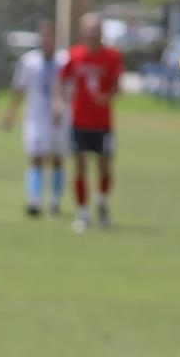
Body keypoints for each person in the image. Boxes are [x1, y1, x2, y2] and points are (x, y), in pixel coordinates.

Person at [59, 12, 124, 232]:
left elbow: (117, 85)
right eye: (88, 30)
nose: (92, 34)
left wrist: (106, 97)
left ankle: (102, 200)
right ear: (82, 32)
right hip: (79, 120)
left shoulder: (112, 56)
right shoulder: (74, 55)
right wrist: (61, 100)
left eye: (95, 30)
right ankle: (82, 212)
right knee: (79, 165)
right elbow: (62, 80)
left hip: (103, 123)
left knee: (104, 166)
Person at [1, 18, 67, 218]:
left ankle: (54, 201)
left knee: (57, 159)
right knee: (36, 158)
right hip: (36, 117)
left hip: (59, 118)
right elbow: (18, 89)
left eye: (50, 36)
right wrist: (10, 115)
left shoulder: (64, 60)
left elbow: (69, 88)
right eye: (43, 35)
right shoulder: (29, 62)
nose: (46, 40)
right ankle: (34, 201)